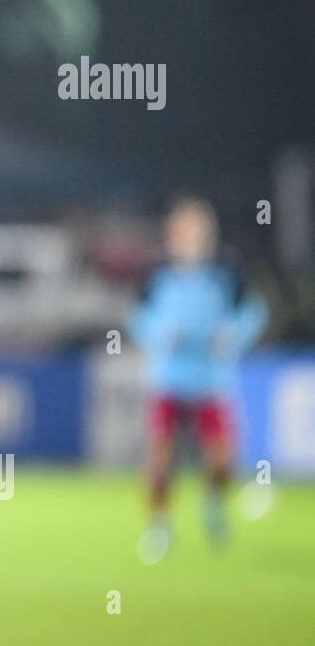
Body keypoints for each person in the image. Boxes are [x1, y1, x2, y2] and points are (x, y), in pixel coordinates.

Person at [128, 196, 267, 563]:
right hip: (168, 379)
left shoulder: (227, 269)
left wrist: (233, 334)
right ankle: (159, 525)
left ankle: (213, 504)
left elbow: (254, 312)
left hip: (211, 380)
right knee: (159, 457)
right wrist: (158, 334)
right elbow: (137, 317)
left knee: (221, 461)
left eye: (198, 229)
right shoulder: (156, 271)